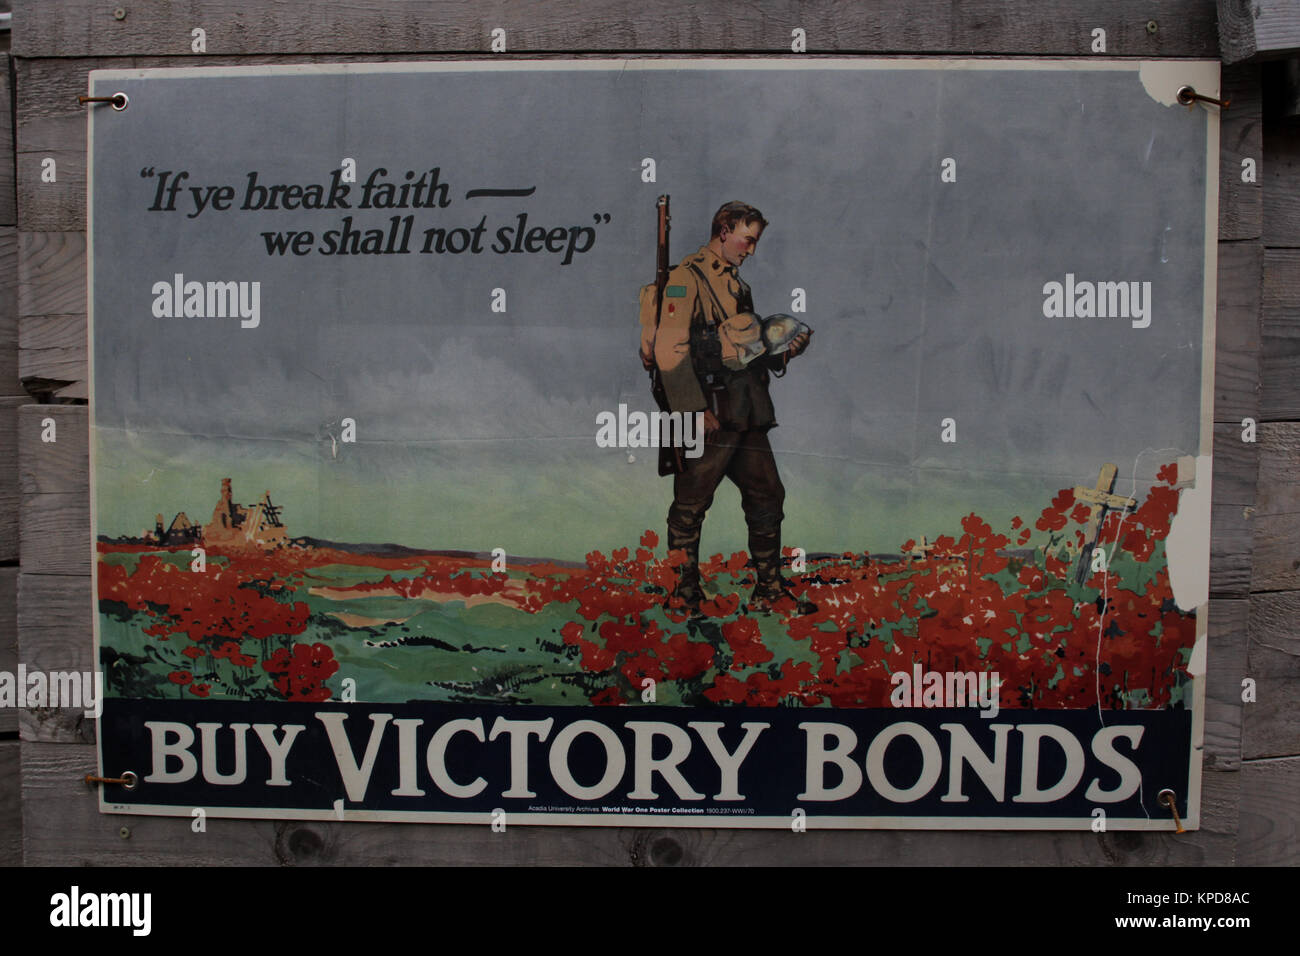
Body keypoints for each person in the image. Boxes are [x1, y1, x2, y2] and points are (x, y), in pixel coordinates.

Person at [639, 200, 814, 615]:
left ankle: (768, 591)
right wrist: (694, 410)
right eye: (747, 240)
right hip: (708, 412)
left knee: (768, 495)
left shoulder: (736, 285)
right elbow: (670, 349)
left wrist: (783, 352)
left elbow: (743, 350)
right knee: (691, 504)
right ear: (724, 231)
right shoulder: (686, 279)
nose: (751, 250)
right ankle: (683, 596)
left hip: (744, 410)